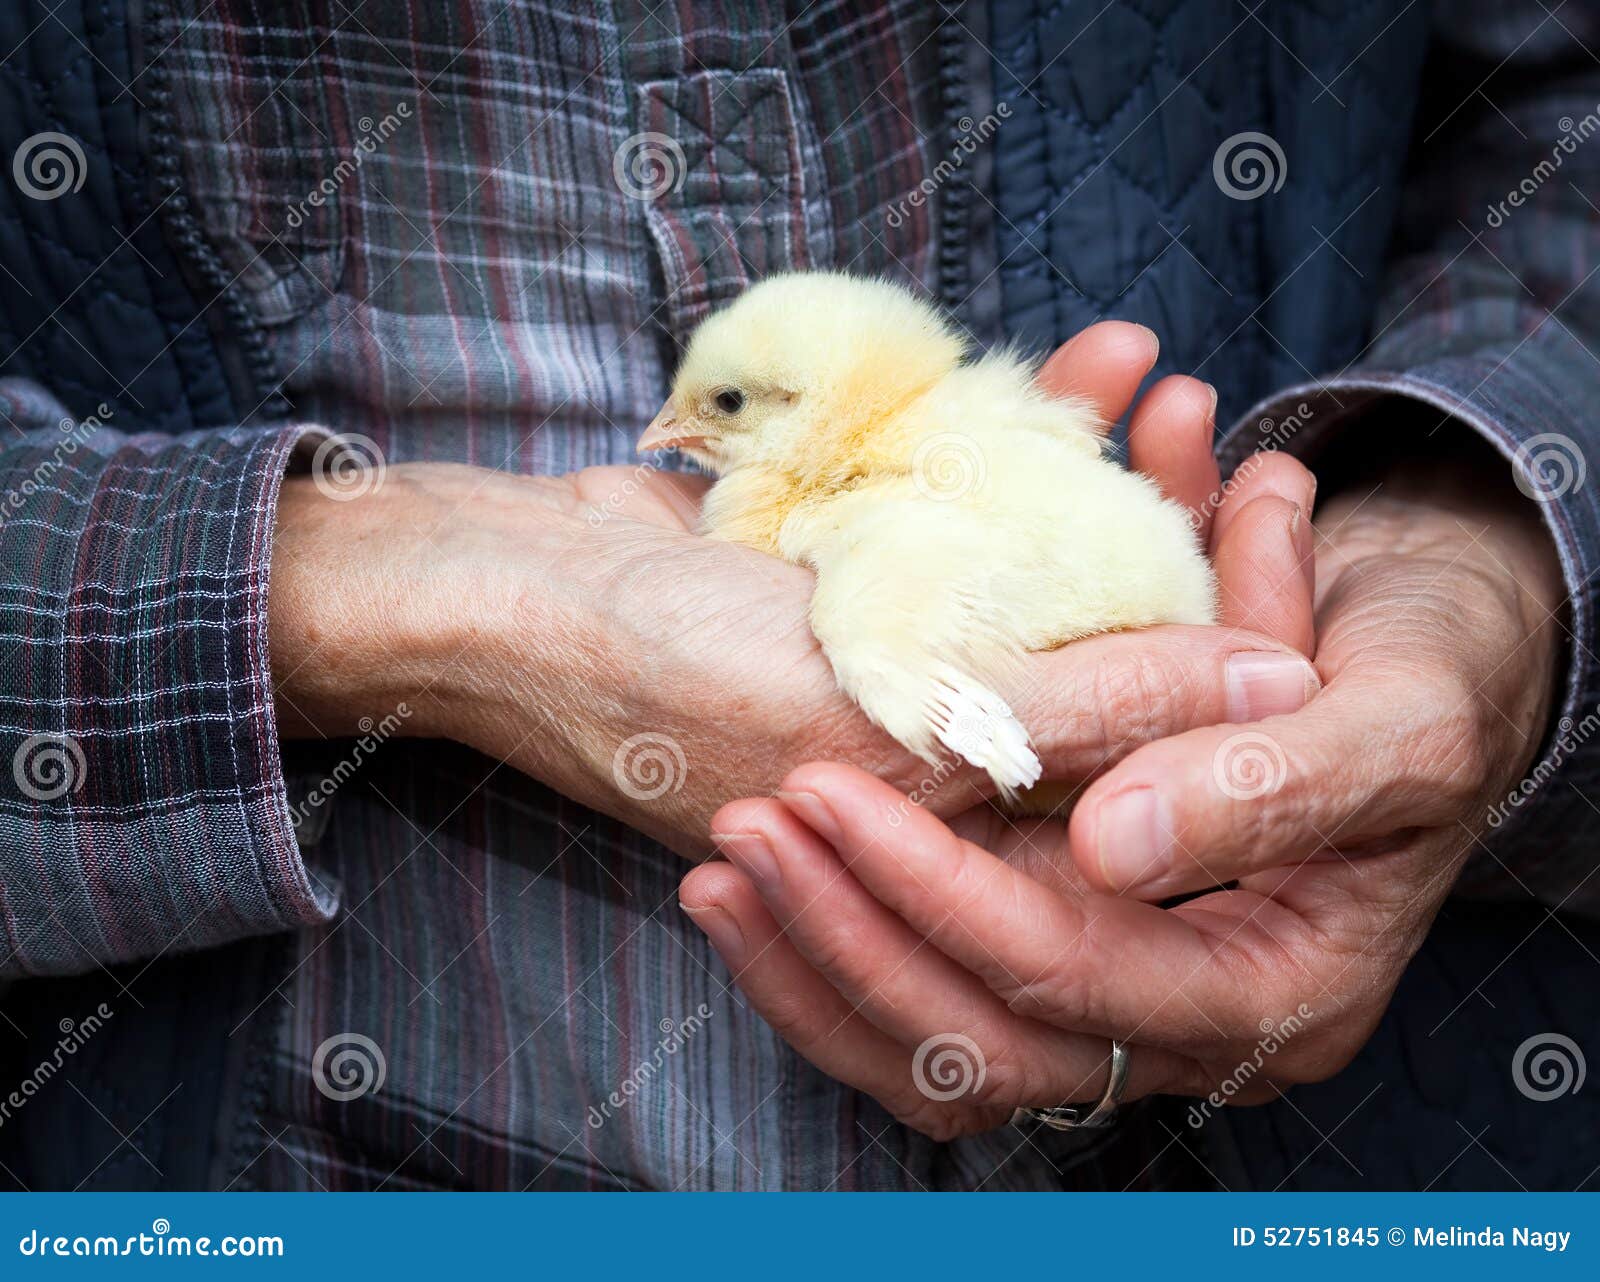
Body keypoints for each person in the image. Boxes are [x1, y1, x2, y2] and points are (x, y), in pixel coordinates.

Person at [0, 0, 1594, 1191]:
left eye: (722, 416)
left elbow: (1563, 114)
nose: (674, 443)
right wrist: (340, 583)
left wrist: (1482, 534)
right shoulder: (961, 441)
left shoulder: (864, 536)